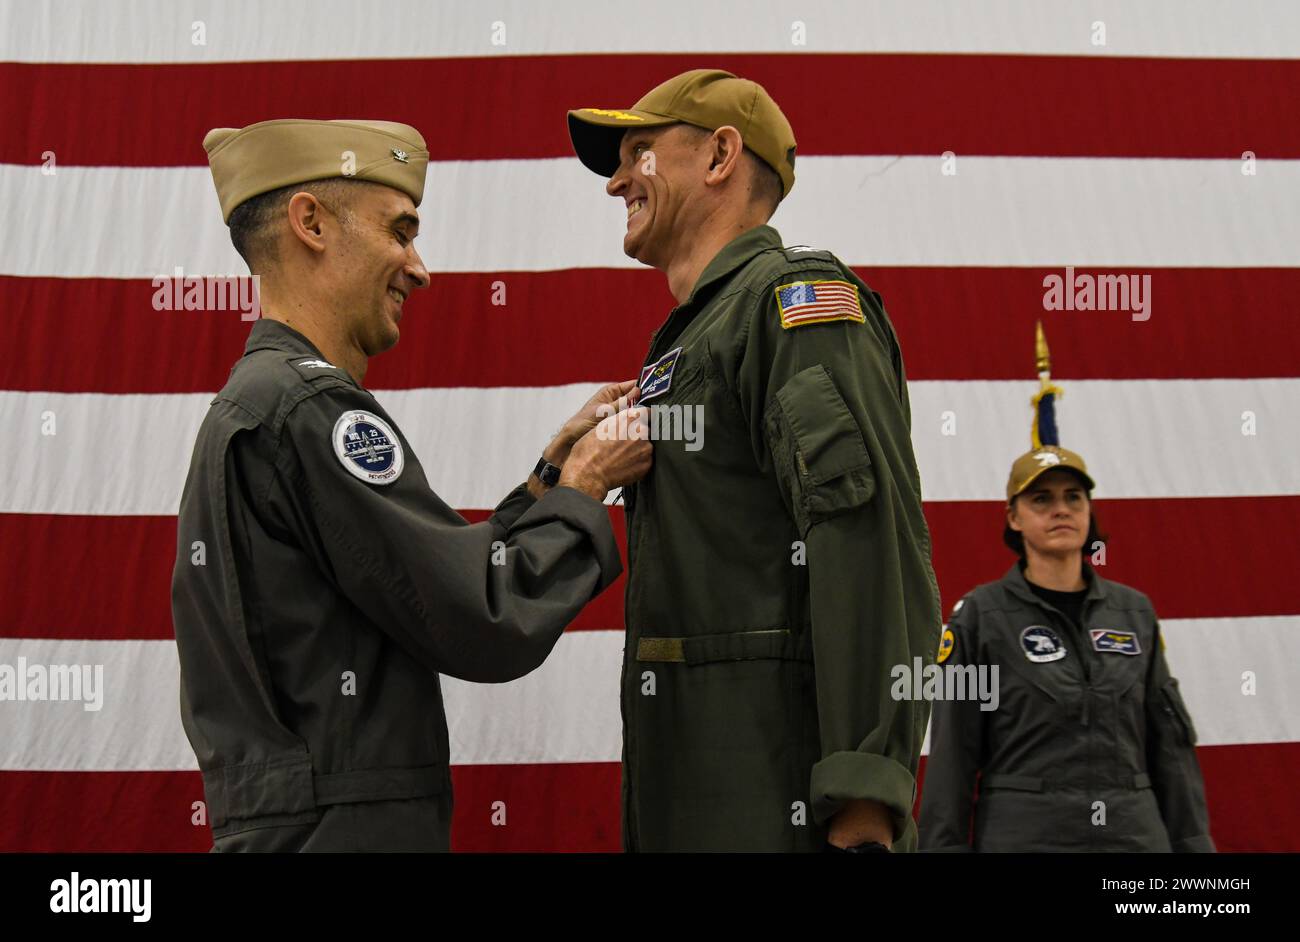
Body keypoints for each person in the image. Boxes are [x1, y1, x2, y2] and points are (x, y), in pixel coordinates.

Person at [173, 118, 651, 852]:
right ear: (311, 223)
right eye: (400, 231)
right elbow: (485, 615)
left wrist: (549, 479)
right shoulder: (309, 411)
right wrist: (584, 489)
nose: (419, 267)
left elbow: (424, 574)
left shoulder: (261, 403)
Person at [567, 70, 941, 852]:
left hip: (783, 804)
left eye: (640, 152)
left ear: (720, 157)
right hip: (701, 791)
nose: (615, 182)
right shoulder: (694, 337)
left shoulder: (794, 304)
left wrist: (865, 797)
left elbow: (863, 538)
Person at [918, 330, 1214, 852]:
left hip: (1133, 837)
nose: (1061, 509)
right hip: (1028, 833)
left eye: (1074, 497)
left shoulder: (1134, 613)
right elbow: (953, 757)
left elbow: (1170, 751)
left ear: (1089, 512)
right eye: (1042, 499)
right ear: (1013, 517)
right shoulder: (979, 618)